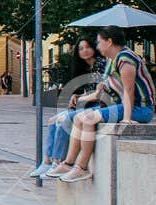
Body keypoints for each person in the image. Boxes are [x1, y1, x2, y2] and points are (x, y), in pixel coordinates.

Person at [49, 27, 156, 182]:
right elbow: (101, 92)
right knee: (79, 117)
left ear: (109, 42)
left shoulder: (125, 58)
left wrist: (127, 119)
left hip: (140, 109)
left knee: (87, 119)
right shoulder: (112, 61)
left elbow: (129, 91)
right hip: (122, 106)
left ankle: (81, 168)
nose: (97, 46)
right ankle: (68, 163)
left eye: (99, 42)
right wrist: (80, 98)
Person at [29, 38, 104, 179]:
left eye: (87, 47)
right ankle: (47, 161)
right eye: (81, 48)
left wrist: (80, 98)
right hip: (89, 104)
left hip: (98, 106)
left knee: (64, 119)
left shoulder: (100, 64)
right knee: (52, 120)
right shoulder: (85, 68)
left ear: (94, 48)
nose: (85, 50)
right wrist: (77, 96)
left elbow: (99, 93)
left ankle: (57, 162)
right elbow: (91, 91)